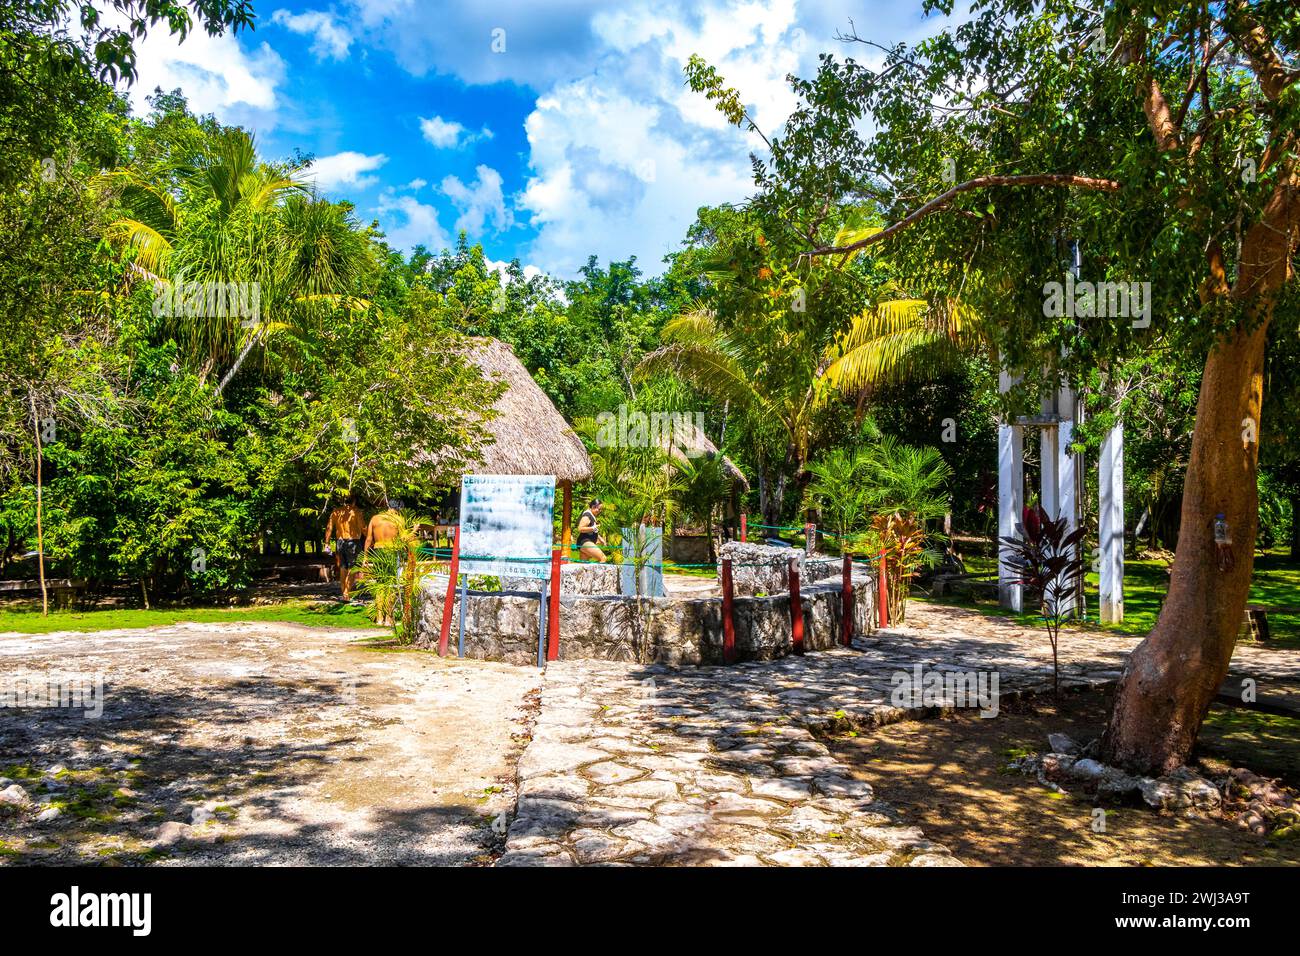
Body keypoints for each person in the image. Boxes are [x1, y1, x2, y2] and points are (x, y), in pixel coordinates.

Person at [363, 502, 402, 626]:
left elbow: (369, 539)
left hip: (378, 551)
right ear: (397, 509)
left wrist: (365, 556)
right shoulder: (398, 519)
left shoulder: (375, 518)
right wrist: (415, 530)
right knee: (390, 585)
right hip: (391, 552)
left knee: (380, 585)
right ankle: (388, 618)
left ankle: (379, 617)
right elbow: (402, 539)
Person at [323, 496, 366, 599]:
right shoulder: (356, 512)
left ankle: (344, 594)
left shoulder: (336, 512)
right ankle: (346, 592)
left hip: (340, 541)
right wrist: (370, 538)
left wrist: (327, 543)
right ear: (354, 501)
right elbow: (363, 527)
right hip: (353, 541)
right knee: (353, 568)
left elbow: (329, 528)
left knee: (343, 567)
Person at [576, 499, 607, 563]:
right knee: (603, 558)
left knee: (583, 566)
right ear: (593, 506)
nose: (599, 511)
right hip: (585, 542)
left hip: (585, 542)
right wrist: (592, 528)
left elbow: (592, 530)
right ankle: (597, 572)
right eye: (598, 509)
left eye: (600, 509)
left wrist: (600, 539)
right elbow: (580, 528)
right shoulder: (587, 515)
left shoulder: (592, 515)